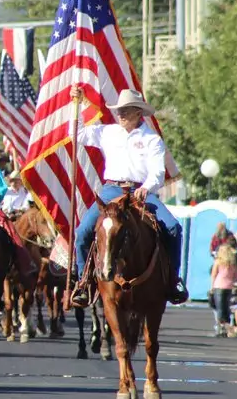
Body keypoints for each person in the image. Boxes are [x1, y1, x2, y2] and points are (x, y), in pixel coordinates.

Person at [69, 86, 188, 306]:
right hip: (112, 190)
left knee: (173, 227)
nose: (120, 114)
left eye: (126, 110)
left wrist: (147, 187)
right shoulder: (108, 132)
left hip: (139, 191)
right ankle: (83, 281)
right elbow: (78, 135)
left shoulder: (152, 139)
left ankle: (173, 279)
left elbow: (157, 173)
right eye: (119, 110)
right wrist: (75, 106)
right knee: (83, 230)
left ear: (138, 112)